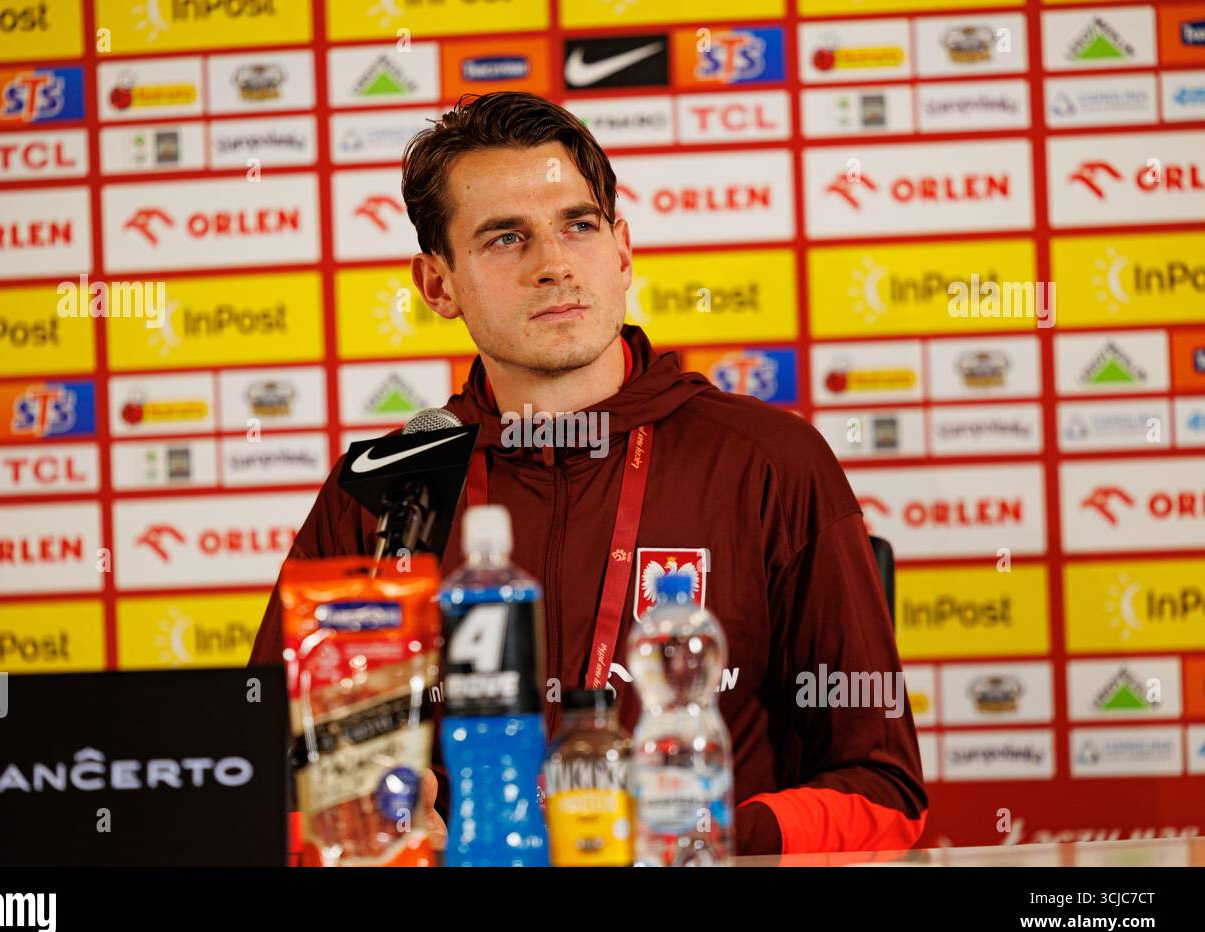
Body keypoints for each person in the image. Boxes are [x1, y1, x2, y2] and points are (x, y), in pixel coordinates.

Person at [251, 91, 927, 856]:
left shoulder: (770, 460)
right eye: (506, 238)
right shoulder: (382, 489)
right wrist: (374, 832)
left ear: (623, 250)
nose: (554, 264)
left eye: (578, 224)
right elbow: (264, 786)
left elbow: (884, 792)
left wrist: (706, 835)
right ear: (437, 285)